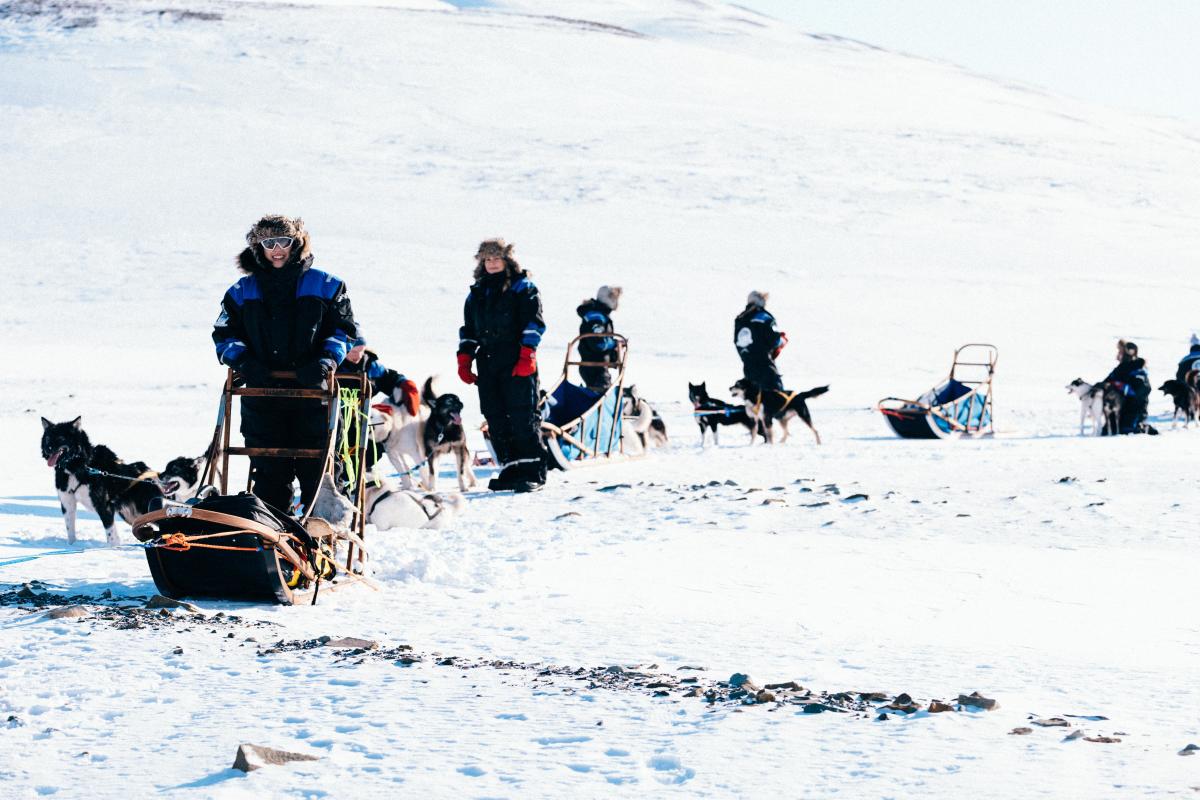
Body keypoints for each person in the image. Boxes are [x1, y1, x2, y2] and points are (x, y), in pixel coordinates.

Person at [212, 215, 358, 513]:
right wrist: (246, 363)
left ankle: (323, 540)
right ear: (258, 247)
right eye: (269, 243)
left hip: (314, 392)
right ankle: (273, 537)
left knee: (319, 470)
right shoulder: (241, 292)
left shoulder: (327, 285)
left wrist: (325, 361)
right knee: (269, 472)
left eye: (284, 242)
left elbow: (343, 329)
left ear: (298, 244)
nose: (277, 249)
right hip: (262, 393)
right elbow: (224, 334)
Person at [457, 238, 547, 493]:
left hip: (517, 358)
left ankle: (533, 472)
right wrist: (465, 357)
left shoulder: (523, 288)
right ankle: (510, 469)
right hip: (488, 361)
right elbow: (469, 329)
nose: (492, 263)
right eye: (487, 259)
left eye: (496, 258)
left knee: (522, 415)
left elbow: (534, 323)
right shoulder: (476, 293)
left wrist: (527, 354)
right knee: (495, 416)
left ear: (507, 260)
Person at [733, 290, 787, 391]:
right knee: (777, 400)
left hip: (748, 369)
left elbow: (738, 343)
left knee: (755, 403)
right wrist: (782, 340)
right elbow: (774, 340)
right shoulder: (764, 317)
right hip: (766, 368)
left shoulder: (740, 320)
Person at [576, 285, 622, 392]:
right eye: (613, 298)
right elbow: (598, 343)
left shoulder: (599, 315)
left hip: (596, 365)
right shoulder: (596, 317)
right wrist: (614, 344)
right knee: (602, 394)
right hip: (595, 367)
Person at [1102, 339, 1151, 434]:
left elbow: (1143, 390)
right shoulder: (1121, 368)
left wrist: (1125, 388)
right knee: (1109, 430)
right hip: (1120, 409)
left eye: (1120, 351)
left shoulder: (1138, 368)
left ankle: (1143, 428)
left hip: (1134, 411)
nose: (1118, 354)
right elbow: (1106, 382)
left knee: (1127, 429)